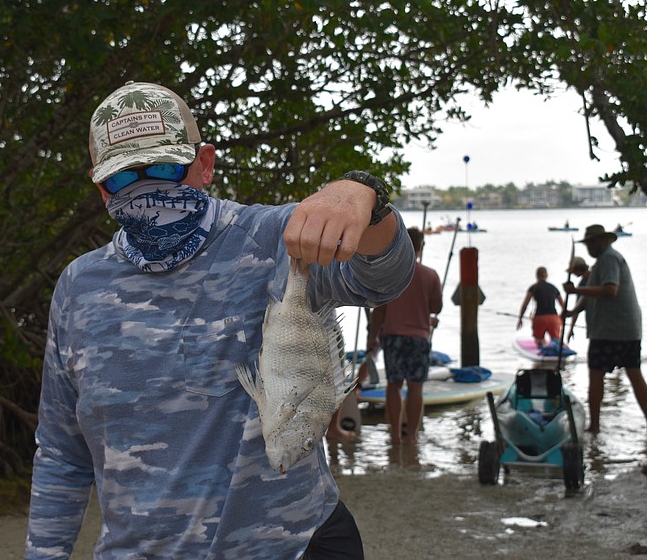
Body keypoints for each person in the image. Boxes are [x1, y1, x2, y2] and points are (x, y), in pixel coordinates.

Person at [25, 81, 415, 559]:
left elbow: (381, 279)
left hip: (295, 547)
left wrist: (361, 196)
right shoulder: (78, 286)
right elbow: (61, 453)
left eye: (166, 168)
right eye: (123, 178)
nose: (148, 188)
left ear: (205, 163)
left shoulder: (274, 238)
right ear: (100, 185)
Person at [563, 224, 647, 434]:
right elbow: (589, 297)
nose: (589, 247)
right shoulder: (601, 263)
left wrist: (575, 290)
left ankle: (596, 425)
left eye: (592, 243)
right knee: (631, 373)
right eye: (587, 244)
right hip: (621, 329)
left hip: (613, 329)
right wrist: (572, 311)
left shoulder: (609, 259)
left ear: (602, 241)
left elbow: (610, 290)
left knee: (600, 374)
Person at [364, 227, 442, 445]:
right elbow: (436, 307)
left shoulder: (390, 275)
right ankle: (412, 437)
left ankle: (396, 434)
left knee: (394, 385)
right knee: (416, 387)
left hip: (393, 336)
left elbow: (379, 310)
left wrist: (373, 337)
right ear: (420, 247)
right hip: (419, 337)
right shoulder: (431, 275)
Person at [516, 266, 565, 347]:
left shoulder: (533, 288)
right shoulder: (554, 288)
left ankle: (542, 346)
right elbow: (563, 306)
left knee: (539, 340)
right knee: (556, 340)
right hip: (553, 318)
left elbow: (525, 305)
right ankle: (559, 350)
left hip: (540, 318)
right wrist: (561, 318)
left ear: (536, 276)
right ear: (547, 275)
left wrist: (520, 318)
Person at [565, 256, 590, 343]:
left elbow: (577, 308)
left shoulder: (594, 279)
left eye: (573, 271)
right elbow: (578, 307)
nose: (572, 274)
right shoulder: (582, 284)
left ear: (578, 269)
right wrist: (571, 328)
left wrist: (574, 290)